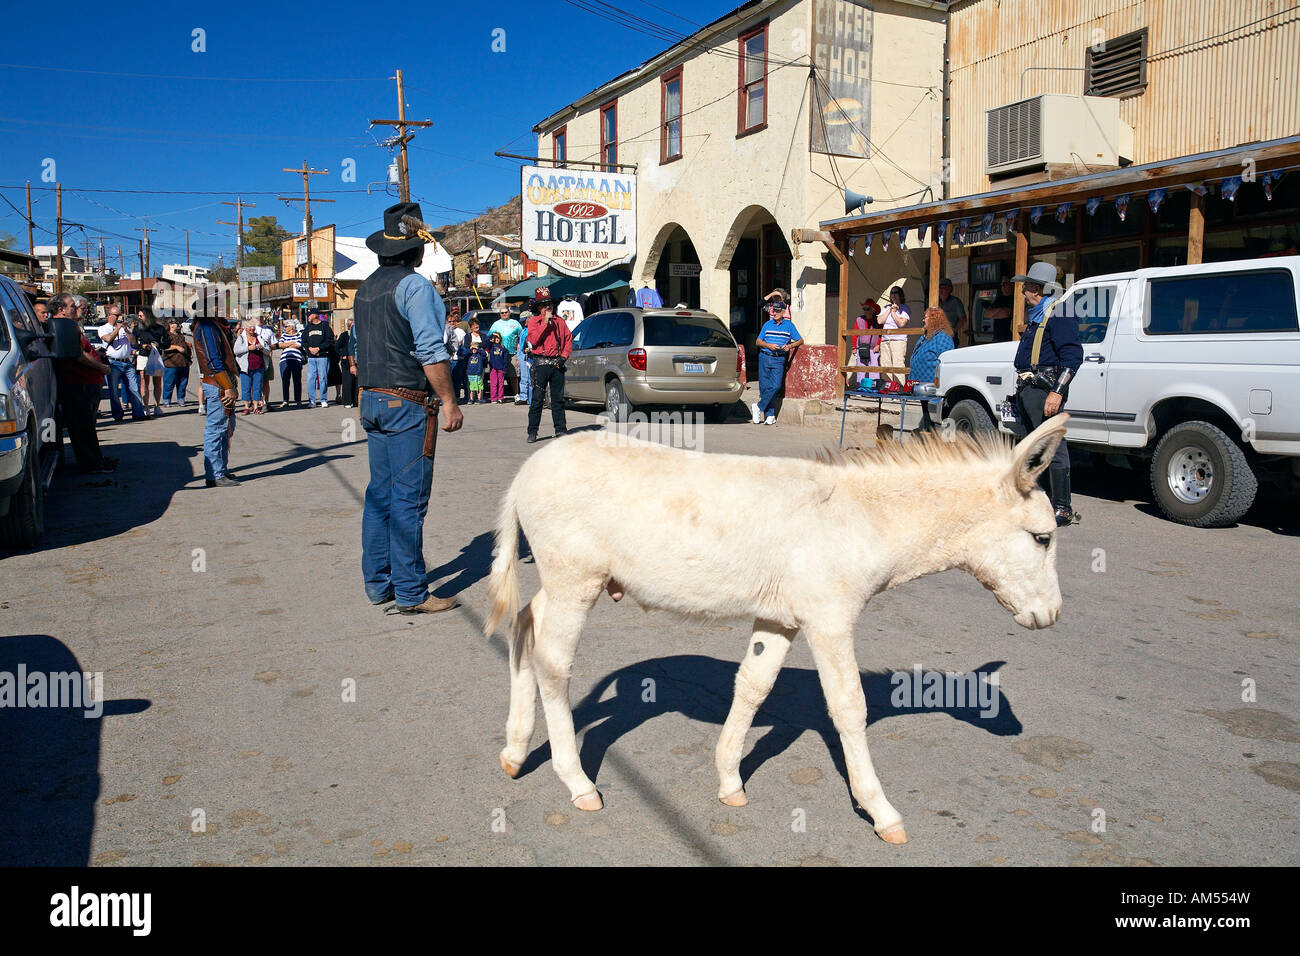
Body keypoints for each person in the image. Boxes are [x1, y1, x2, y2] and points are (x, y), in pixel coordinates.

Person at [355, 201, 462, 614]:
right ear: (416, 249)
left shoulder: (366, 289)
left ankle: (378, 584)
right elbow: (431, 352)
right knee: (408, 498)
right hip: (406, 401)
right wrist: (450, 401)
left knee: (380, 494)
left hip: (371, 398)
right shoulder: (415, 287)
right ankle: (412, 593)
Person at [1011, 260, 1082, 527]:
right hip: (1030, 390)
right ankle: (1039, 502)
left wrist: (1057, 393)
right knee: (1033, 446)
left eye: (1027, 286)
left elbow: (1073, 358)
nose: (1023, 292)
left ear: (1038, 290)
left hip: (1046, 390)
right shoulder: (1040, 314)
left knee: (1053, 447)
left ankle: (1062, 508)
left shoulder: (1060, 312)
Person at [49, 293, 116, 474]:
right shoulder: (63, 326)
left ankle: (96, 459)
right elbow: (79, 355)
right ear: (61, 310)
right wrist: (101, 367)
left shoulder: (70, 326)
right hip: (76, 383)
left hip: (85, 382)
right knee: (81, 426)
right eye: (72, 306)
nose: (76, 309)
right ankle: (91, 463)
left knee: (87, 425)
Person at [192, 296, 241, 487]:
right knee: (217, 429)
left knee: (224, 428)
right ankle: (214, 474)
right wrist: (227, 386)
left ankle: (220, 470)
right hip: (217, 383)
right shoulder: (207, 327)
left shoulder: (212, 326)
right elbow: (213, 360)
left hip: (219, 382)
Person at [525, 286, 571, 443]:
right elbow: (533, 341)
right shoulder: (533, 322)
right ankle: (532, 432)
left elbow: (568, 340)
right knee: (537, 399)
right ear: (538, 307)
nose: (548, 307)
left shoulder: (560, 322)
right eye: (544, 304)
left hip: (557, 363)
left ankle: (560, 429)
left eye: (549, 303)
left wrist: (563, 357)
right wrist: (545, 323)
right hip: (541, 364)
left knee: (558, 399)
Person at [750, 289, 802, 425]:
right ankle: (770, 415)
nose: (774, 313)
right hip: (765, 356)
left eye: (777, 311)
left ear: (784, 312)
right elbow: (758, 341)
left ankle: (758, 407)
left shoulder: (789, 326)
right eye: (773, 311)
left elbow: (800, 340)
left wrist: (790, 346)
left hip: (779, 359)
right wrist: (768, 345)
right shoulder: (767, 324)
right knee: (764, 387)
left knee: (775, 385)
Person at [98, 305, 146, 422]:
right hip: (113, 363)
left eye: (120, 315)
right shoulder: (103, 328)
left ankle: (138, 413)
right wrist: (117, 328)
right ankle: (118, 415)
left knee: (134, 388)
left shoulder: (124, 329)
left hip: (127, 362)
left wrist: (125, 329)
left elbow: (133, 342)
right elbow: (108, 339)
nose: (119, 317)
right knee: (114, 391)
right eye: (117, 315)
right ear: (109, 316)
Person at [910, 308, 956, 432]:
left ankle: (936, 443)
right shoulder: (926, 337)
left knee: (935, 421)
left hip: (934, 388)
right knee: (927, 419)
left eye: (925, 317)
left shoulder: (943, 338)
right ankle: (928, 439)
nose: (923, 320)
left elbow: (946, 363)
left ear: (934, 320)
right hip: (922, 387)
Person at [488, 303, 523, 397]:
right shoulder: (496, 324)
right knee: (499, 376)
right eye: (502, 313)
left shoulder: (515, 323)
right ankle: (498, 396)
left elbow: (522, 336)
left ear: (509, 312)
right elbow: (489, 337)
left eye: (505, 312)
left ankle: (516, 394)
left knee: (514, 375)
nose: (504, 314)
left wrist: (520, 348)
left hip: (512, 353)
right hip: (498, 354)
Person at [233, 318, 267, 415]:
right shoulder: (241, 338)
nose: (252, 329)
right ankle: (247, 407)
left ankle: (256, 407)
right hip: (245, 368)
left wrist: (262, 347)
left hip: (259, 366)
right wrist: (248, 348)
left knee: (257, 387)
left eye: (253, 327)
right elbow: (236, 351)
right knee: (246, 387)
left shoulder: (259, 337)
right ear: (245, 328)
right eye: (249, 327)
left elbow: (268, 350)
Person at [879, 286, 910, 386]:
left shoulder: (905, 308)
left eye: (896, 292)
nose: (893, 294)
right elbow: (880, 320)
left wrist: (893, 313)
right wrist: (890, 309)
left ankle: (899, 389)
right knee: (885, 366)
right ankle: (888, 389)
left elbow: (901, 323)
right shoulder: (886, 308)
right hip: (885, 341)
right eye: (892, 292)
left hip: (898, 341)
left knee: (898, 366)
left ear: (900, 294)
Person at [303, 311, 334, 407]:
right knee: (310, 378)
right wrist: (309, 349)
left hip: (323, 356)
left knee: (323, 378)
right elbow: (303, 340)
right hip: (311, 358)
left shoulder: (325, 327)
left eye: (309, 315)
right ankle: (312, 400)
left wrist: (319, 348)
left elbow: (329, 341)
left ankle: (323, 399)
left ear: (315, 315)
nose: (308, 317)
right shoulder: (308, 328)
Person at [161, 318, 192, 407]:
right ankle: (166, 400)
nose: (176, 325)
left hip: (183, 362)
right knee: (169, 383)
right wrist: (176, 347)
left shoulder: (181, 336)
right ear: (170, 325)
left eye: (177, 323)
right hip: (171, 363)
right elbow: (164, 347)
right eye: (174, 323)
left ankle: (181, 399)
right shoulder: (167, 335)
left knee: (183, 383)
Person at [851, 299, 882, 389]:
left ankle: (873, 387)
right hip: (862, 348)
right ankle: (861, 387)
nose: (865, 310)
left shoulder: (878, 320)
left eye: (867, 308)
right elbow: (854, 334)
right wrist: (854, 347)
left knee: (874, 368)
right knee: (861, 368)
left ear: (873, 310)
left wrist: (878, 345)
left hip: (873, 348)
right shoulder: (859, 319)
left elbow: (881, 334)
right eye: (864, 308)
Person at [277, 317, 304, 407]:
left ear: (291, 327)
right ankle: (285, 400)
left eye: (286, 326)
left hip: (296, 359)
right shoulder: (284, 335)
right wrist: (291, 343)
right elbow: (280, 345)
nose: (285, 328)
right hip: (284, 359)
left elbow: (298, 345)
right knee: (285, 380)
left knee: (297, 380)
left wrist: (287, 345)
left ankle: (298, 400)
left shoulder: (299, 334)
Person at [255, 313, 278, 408]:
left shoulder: (268, 330)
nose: (260, 319)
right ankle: (255, 401)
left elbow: (274, 345)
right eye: (257, 318)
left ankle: (265, 401)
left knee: (265, 381)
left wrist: (268, 347)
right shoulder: (250, 328)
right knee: (255, 382)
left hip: (266, 358)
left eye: (261, 317)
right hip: (254, 358)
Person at [937, 278, 968, 347]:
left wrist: (953, 332)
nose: (941, 290)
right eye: (940, 288)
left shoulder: (955, 302)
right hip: (937, 336)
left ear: (949, 290)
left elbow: (963, 319)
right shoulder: (936, 302)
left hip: (950, 337)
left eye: (944, 288)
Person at [985, 276, 1016, 343]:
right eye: (1001, 285)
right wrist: (1000, 309)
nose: (1003, 287)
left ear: (1012, 284)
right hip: (997, 337)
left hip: (1009, 338)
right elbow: (986, 314)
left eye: (1005, 284)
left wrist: (993, 314)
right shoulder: (999, 299)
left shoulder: (1015, 298)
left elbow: (1006, 313)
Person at [337, 317, 358, 407]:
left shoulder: (358, 334)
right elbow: (337, 347)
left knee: (356, 382)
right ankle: (347, 401)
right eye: (351, 325)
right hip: (346, 362)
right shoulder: (344, 335)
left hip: (355, 360)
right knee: (347, 382)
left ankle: (356, 401)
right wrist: (343, 354)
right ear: (349, 326)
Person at [515, 308, 533, 405]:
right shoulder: (523, 330)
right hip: (522, 354)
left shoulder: (533, 329)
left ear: (529, 318)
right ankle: (523, 396)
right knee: (523, 377)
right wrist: (518, 357)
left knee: (531, 378)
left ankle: (531, 398)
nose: (523, 323)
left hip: (530, 354)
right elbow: (520, 343)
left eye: (524, 320)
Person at [487, 332, 509, 404]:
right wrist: (492, 335)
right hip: (493, 367)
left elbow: (505, 359)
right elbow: (487, 342)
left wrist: (504, 368)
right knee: (493, 383)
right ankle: (493, 398)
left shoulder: (503, 348)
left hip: (501, 368)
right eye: (495, 338)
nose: (497, 339)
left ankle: (500, 397)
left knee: (501, 383)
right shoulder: (491, 346)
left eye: (498, 337)